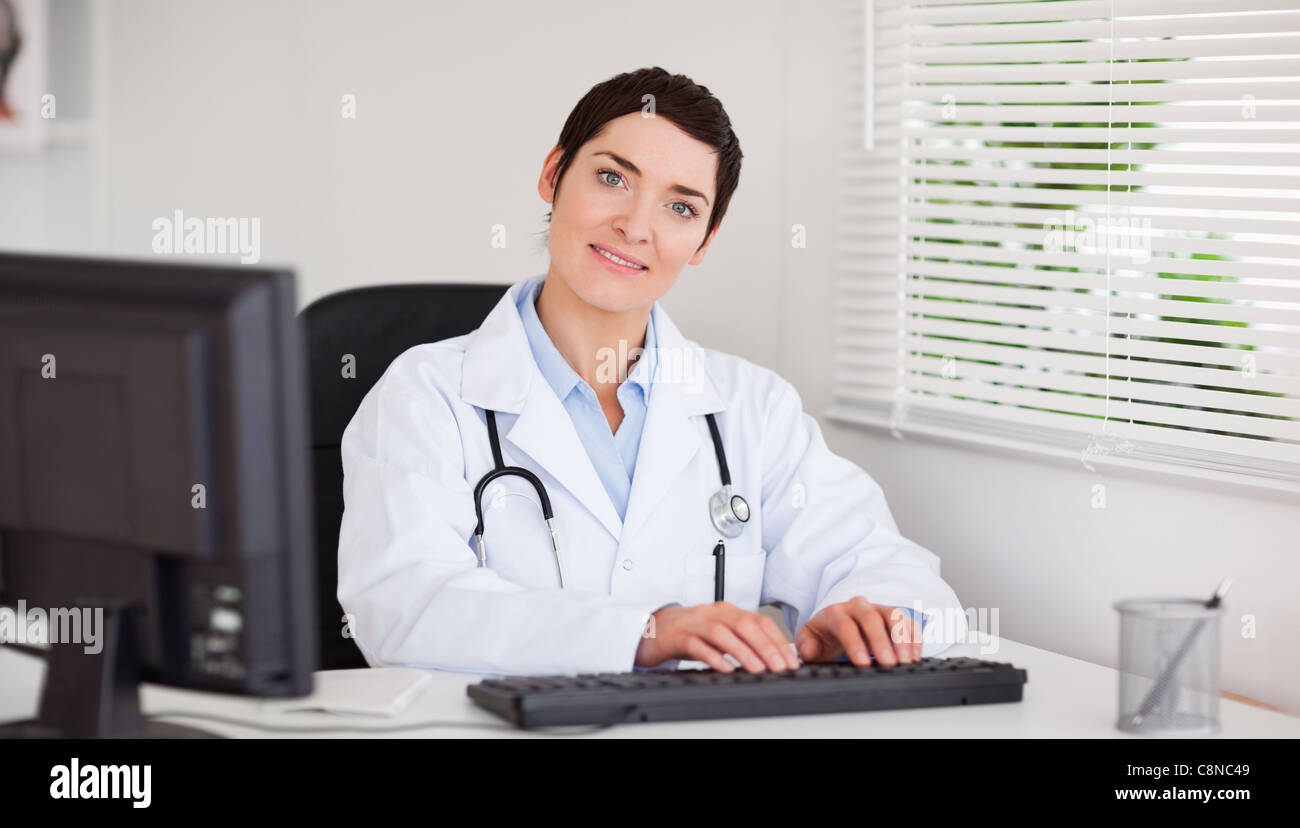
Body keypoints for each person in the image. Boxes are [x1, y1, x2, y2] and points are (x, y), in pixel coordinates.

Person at [337, 66, 968, 676]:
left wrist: (877, 618)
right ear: (554, 174)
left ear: (706, 240)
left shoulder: (753, 409)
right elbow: (401, 607)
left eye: (682, 208)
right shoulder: (426, 395)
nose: (635, 226)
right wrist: (642, 632)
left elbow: (879, 563)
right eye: (613, 177)